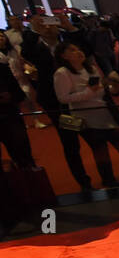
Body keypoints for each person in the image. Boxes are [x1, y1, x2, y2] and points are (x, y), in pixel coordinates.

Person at [53, 42, 119, 188]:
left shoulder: (91, 68)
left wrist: (114, 88)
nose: (78, 52)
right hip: (86, 118)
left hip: (106, 113)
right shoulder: (62, 73)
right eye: (72, 50)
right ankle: (110, 182)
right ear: (63, 56)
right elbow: (63, 98)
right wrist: (89, 91)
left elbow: (102, 92)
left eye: (78, 48)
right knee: (101, 153)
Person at [23, 19, 93, 190]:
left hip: (84, 99)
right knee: (71, 142)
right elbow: (26, 52)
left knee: (95, 137)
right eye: (44, 25)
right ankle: (84, 181)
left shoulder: (70, 46)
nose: (47, 28)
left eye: (51, 24)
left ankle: (107, 177)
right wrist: (35, 31)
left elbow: (87, 48)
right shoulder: (38, 49)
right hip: (58, 105)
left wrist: (70, 28)